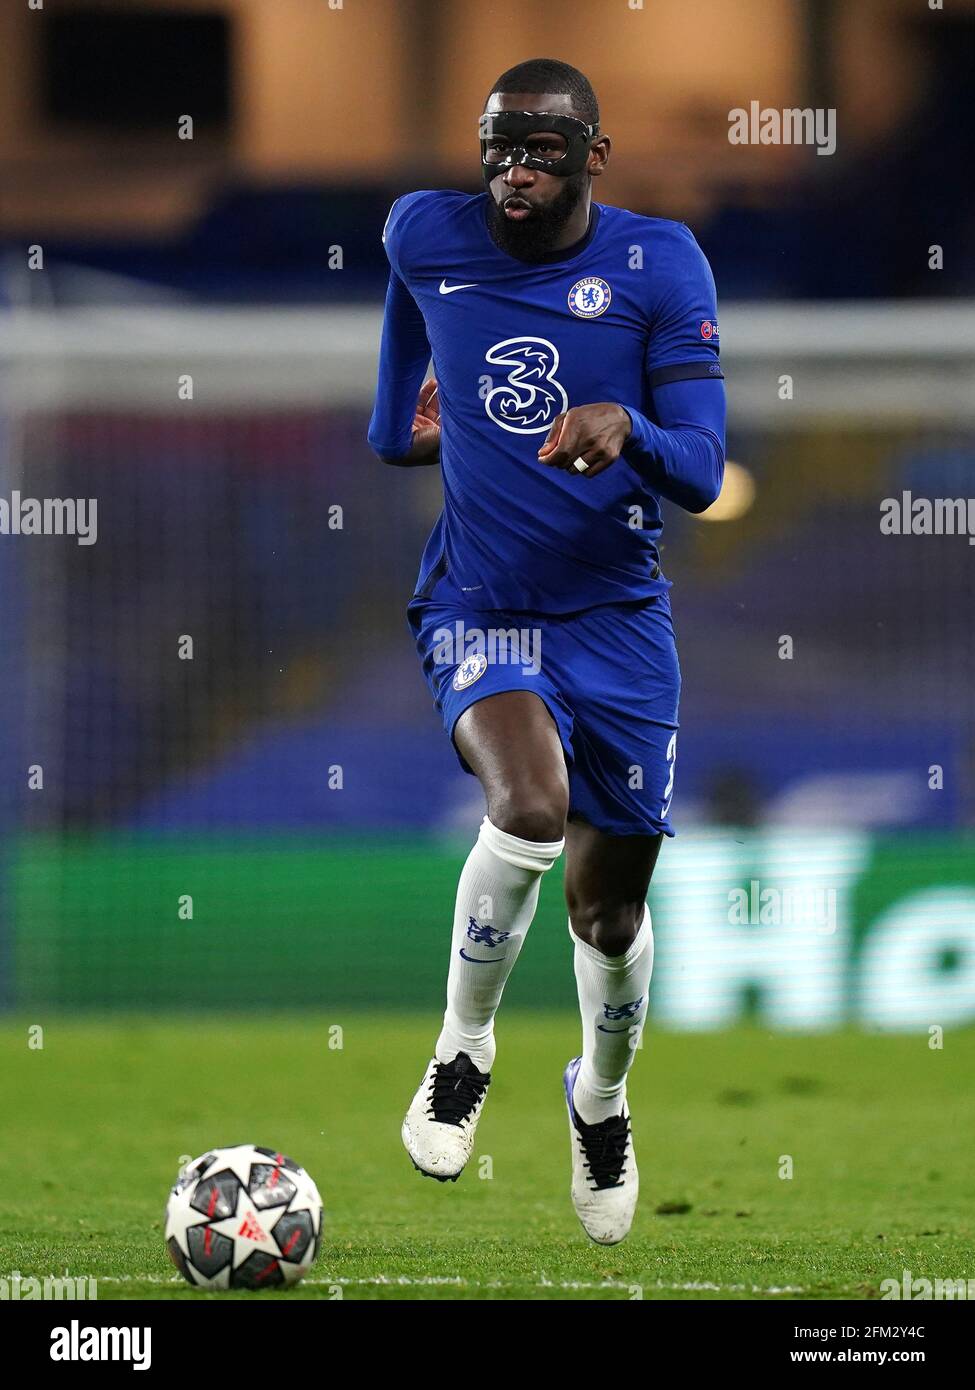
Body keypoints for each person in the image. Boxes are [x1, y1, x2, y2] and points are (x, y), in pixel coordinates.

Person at [368, 57, 725, 1245]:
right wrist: (431, 426)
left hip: (620, 617)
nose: (516, 167)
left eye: (543, 148)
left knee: (609, 916)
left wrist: (628, 429)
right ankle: (461, 1053)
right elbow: (391, 425)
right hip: (480, 597)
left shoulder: (659, 262)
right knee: (528, 805)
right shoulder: (425, 234)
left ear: (593, 158)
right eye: (499, 144)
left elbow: (707, 467)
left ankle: (601, 1101)